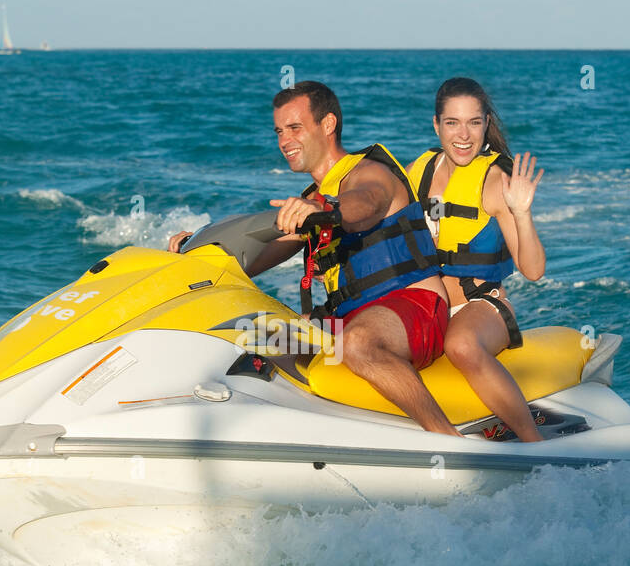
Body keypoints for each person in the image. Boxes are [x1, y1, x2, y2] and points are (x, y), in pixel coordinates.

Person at [174, 81, 462, 436]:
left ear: (327, 125)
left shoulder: (369, 174)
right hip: (348, 317)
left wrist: (323, 208)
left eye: (295, 128)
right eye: (279, 131)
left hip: (415, 307)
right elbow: (253, 259)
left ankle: (447, 440)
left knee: (357, 344)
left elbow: (365, 203)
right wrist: (197, 254)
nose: (284, 140)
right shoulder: (313, 197)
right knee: (253, 336)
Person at [406, 77, 546, 441]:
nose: (463, 135)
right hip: (428, 303)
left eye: (474, 122)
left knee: (461, 345)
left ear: (487, 124)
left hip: (482, 306)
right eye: (452, 123)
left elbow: (532, 270)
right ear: (436, 125)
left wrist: (521, 213)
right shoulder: (419, 171)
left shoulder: (495, 180)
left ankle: (534, 442)